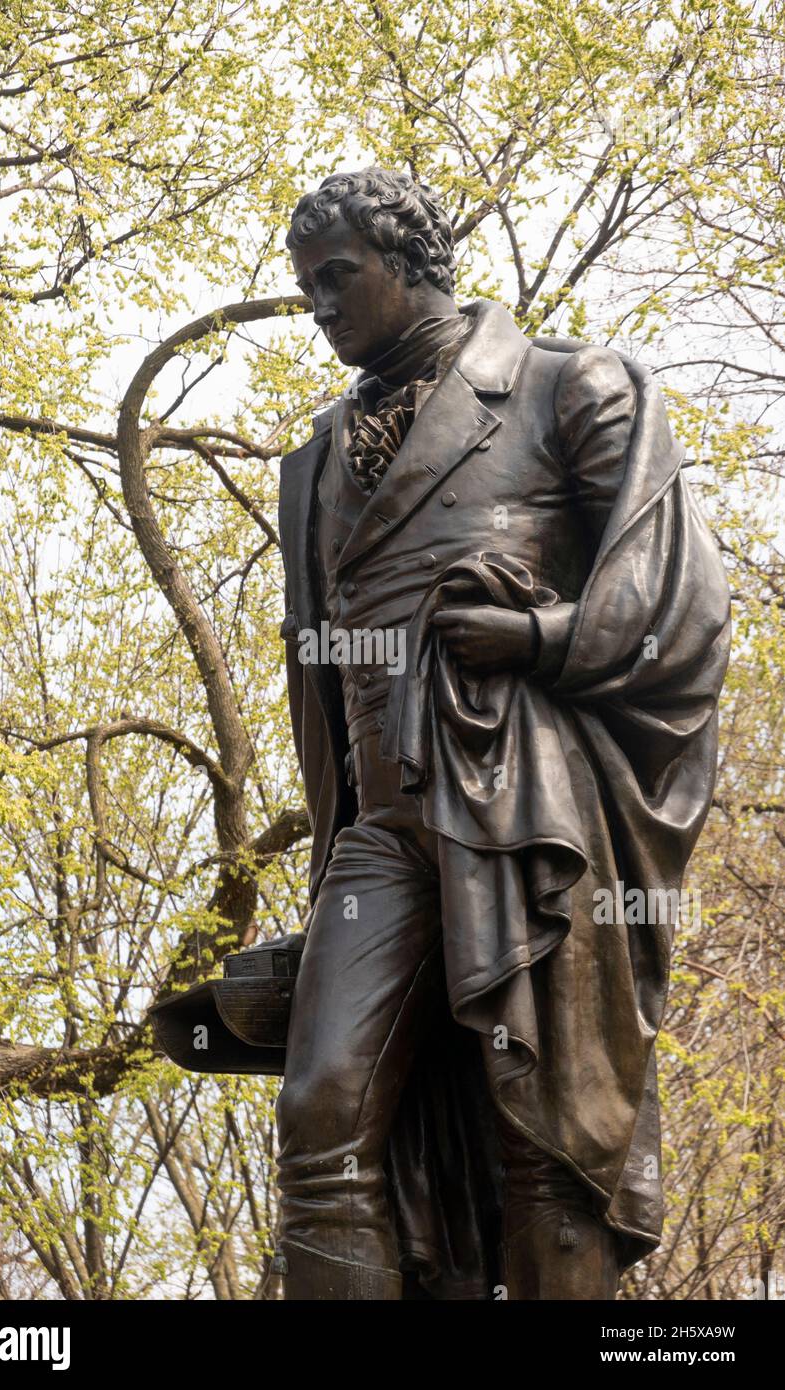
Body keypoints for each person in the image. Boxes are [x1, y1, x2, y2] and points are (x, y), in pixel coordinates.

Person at [273, 167, 730, 1300]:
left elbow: (681, 602)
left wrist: (535, 636)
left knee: (548, 1134)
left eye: (336, 279)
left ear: (410, 264)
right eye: (304, 289)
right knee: (319, 1110)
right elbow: (319, 676)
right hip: (378, 825)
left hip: (526, 803)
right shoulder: (317, 459)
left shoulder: (567, 386)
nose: (319, 307)